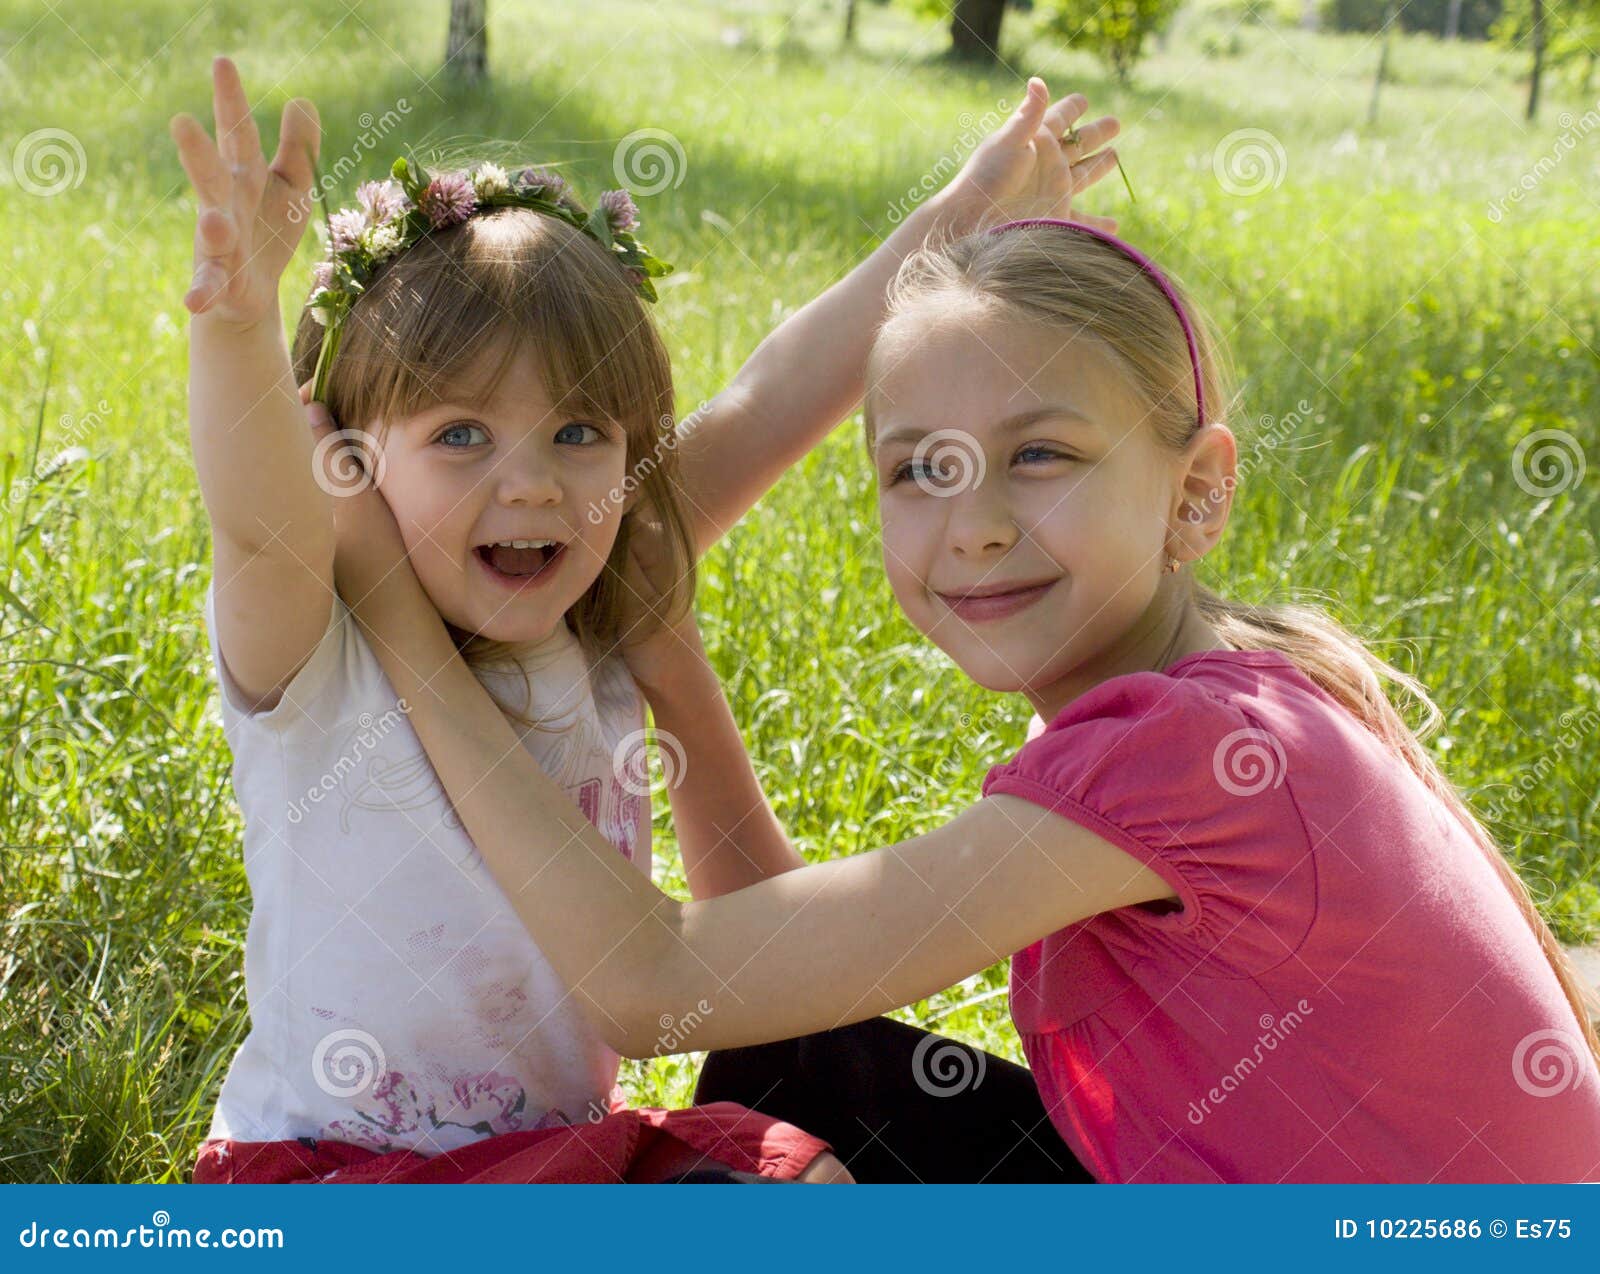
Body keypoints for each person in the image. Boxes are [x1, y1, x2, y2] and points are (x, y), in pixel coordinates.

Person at [325, 212, 1600, 1183]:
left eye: (1038, 455)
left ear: (1196, 490)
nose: (975, 526)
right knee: (805, 1059)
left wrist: (405, 637)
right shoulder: (1235, 688)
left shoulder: (1192, 753)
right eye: (920, 470)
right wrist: (665, 656)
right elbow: (767, 973)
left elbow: (650, 986)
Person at [171, 53, 1120, 1182]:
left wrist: (960, 219)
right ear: (348, 459)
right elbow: (259, 528)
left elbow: (776, 394)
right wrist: (236, 329)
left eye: (579, 433)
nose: (533, 484)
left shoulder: (607, 601)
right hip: (334, 1174)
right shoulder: (318, 657)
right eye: (461, 434)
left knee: (800, 1182)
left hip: (554, 1154)